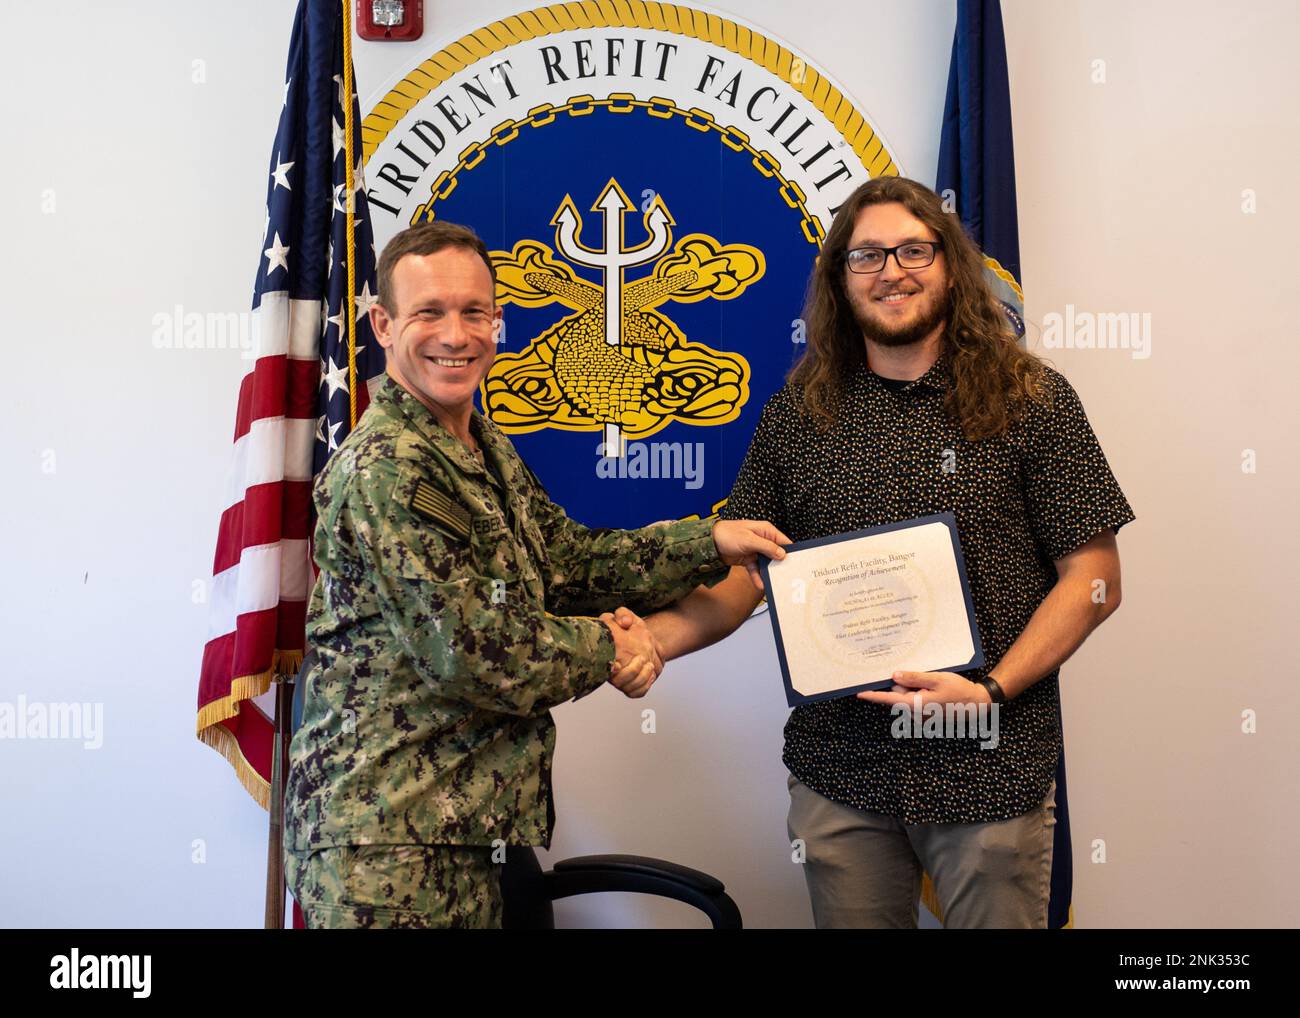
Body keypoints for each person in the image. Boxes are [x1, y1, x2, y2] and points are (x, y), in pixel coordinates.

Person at [607, 177, 1135, 929]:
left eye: (913, 250)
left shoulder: (1034, 401)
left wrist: (991, 692)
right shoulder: (798, 415)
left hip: (988, 764)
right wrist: (652, 643)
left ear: (951, 265)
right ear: (839, 279)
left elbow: (1095, 580)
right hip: (842, 778)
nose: (892, 270)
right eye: (867, 256)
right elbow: (743, 576)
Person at [282, 220, 789, 929]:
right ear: (384, 325)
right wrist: (615, 648)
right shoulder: (388, 467)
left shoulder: (480, 443)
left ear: (499, 321)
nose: (455, 335)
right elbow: (474, 652)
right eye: (428, 313)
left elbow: (569, 562)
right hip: (388, 847)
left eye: (473, 312)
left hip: (467, 833)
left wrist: (709, 540)